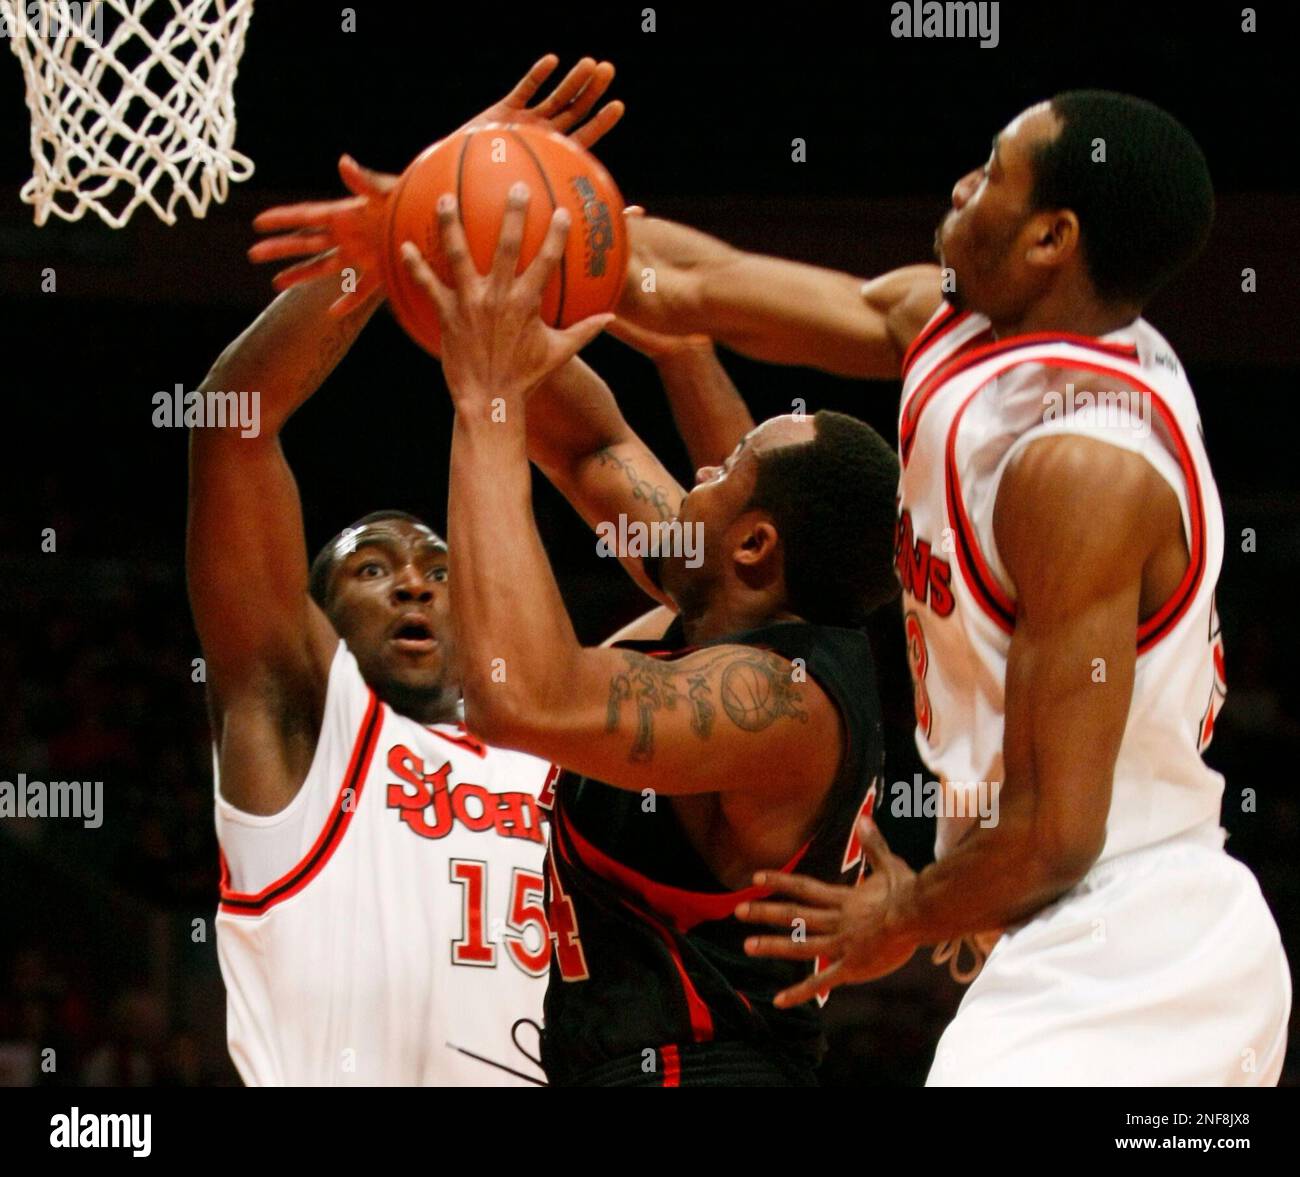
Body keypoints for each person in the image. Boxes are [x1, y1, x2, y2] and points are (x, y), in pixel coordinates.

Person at [615, 89, 1290, 1085]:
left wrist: (904, 911)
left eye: (993, 171)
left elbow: (1055, 837)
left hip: (1136, 937)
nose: (962, 183)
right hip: (1071, 932)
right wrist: (533, 222)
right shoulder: (952, 324)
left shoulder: (1083, 467)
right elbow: (688, 283)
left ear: (1050, 239)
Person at [193, 55, 682, 1085]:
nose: (416, 581)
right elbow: (231, 426)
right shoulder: (303, 721)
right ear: (314, 617)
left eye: (440, 567)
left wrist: (514, 355)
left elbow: (706, 585)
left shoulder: (563, 739)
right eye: (373, 568)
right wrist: (394, 243)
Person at [398, 184, 902, 1087]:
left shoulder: (776, 703)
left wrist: (484, 404)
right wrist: (464, 245)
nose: (702, 467)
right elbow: (590, 450)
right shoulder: (725, 603)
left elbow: (522, 695)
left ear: (755, 544)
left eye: (729, 469)